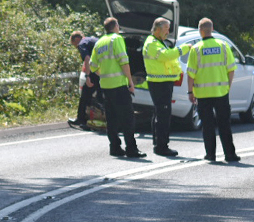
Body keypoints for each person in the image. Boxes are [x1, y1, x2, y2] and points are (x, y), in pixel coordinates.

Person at [89, 17, 144, 158]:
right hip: (119, 85)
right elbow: (124, 61)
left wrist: (104, 74)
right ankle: (131, 149)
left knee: (112, 118)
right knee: (128, 118)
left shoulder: (99, 42)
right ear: (116, 26)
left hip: (106, 86)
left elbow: (93, 66)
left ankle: (114, 147)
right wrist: (130, 81)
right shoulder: (116, 39)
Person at [186, 17, 240, 163]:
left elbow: (191, 74)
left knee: (208, 126)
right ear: (212, 29)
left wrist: (190, 92)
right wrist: (227, 86)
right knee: (224, 124)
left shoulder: (196, 49)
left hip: (203, 94)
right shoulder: (223, 46)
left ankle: (211, 155)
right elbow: (231, 70)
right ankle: (230, 155)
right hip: (221, 93)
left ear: (200, 31)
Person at [142, 17, 187, 157]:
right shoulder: (152, 43)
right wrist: (183, 49)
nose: (168, 31)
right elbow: (166, 56)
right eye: (167, 28)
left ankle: (159, 144)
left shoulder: (159, 42)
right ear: (158, 28)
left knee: (160, 114)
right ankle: (162, 146)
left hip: (163, 83)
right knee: (163, 115)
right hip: (159, 84)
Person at [68, 30, 101, 129]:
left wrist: (87, 76)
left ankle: (81, 119)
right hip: (106, 70)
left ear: (76, 39)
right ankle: (97, 119)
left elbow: (87, 59)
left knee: (86, 94)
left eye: (75, 45)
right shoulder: (93, 39)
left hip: (96, 71)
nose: (76, 47)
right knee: (100, 95)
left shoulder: (82, 44)